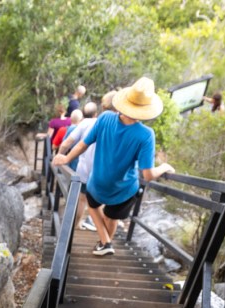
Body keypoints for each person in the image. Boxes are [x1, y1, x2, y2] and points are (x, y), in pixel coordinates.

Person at [52, 77, 175, 256]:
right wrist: (163, 167)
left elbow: (83, 144)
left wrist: (66, 157)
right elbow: (147, 175)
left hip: (98, 183)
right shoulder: (146, 135)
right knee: (112, 216)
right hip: (123, 189)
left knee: (93, 207)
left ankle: (105, 243)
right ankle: (105, 243)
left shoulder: (105, 118)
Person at [58, 101, 99, 230]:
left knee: (81, 200)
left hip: (84, 170)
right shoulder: (103, 124)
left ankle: (73, 227)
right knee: (99, 202)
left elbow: (66, 143)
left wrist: (60, 155)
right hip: (100, 170)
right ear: (96, 113)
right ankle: (103, 238)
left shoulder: (83, 124)